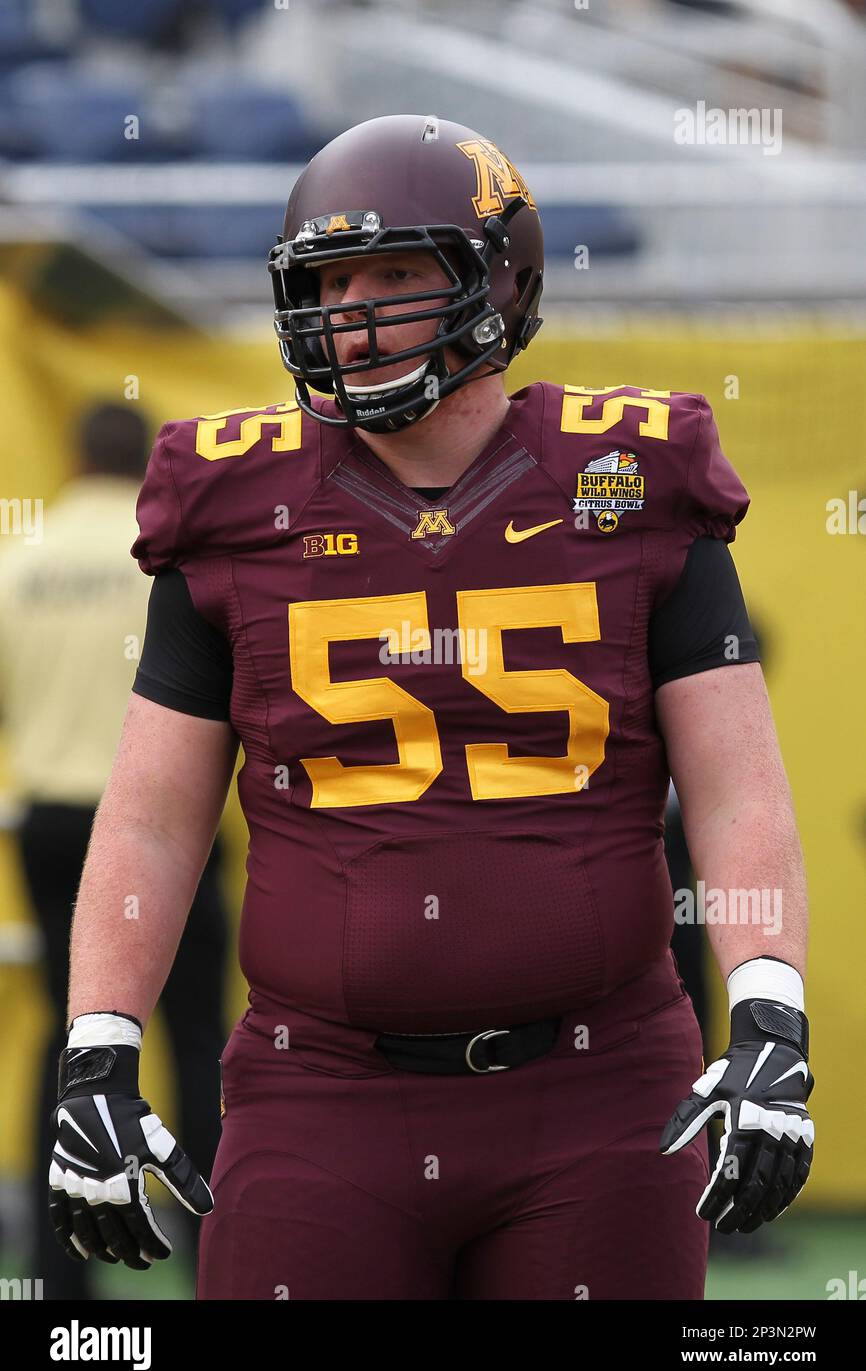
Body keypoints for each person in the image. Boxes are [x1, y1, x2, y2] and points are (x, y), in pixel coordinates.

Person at [47, 115, 814, 1300]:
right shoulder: (236, 503)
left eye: (392, 275)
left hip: (597, 1086)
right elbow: (152, 818)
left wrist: (767, 1004)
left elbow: (733, 784)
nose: (349, 313)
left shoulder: (629, 480)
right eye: (327, 280)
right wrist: (97, 1043)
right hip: (322, 1093)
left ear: (498, 285)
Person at [0, 403, 228, 1297]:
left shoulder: (22, 562)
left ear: (72, 452)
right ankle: (222, 1262)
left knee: (74, 1040)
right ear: (145, 465)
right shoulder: (162, 566)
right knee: (200, 1038)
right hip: (170, 823)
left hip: (53, 822)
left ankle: (62, 1285)